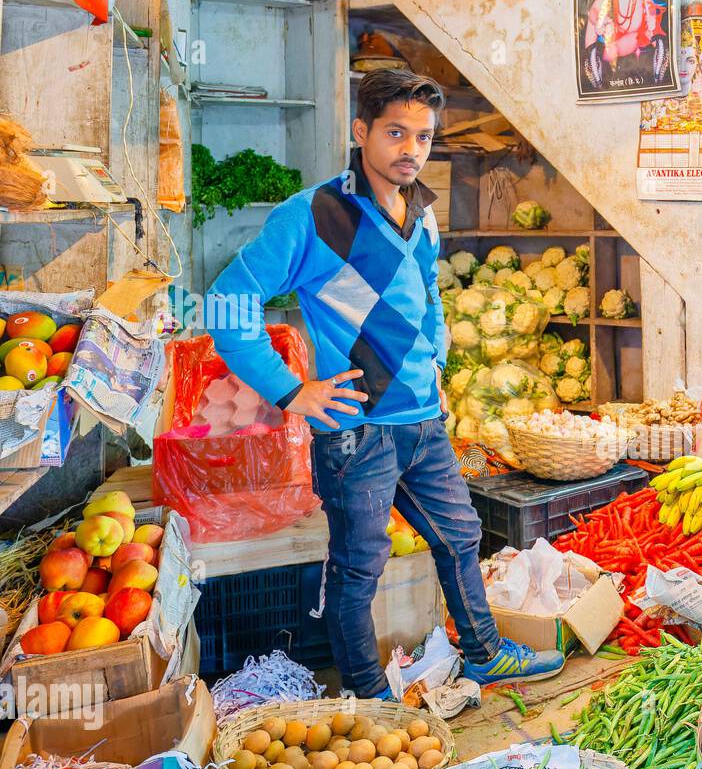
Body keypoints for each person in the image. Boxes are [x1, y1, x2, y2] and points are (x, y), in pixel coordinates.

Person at [205, 68, 563, 697]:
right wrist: (293, 393)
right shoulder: (315, 213)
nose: (410, 150)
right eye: (396, 133)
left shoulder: (420, 212)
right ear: (361, 130)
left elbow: (425, 294)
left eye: (423, 138)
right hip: (355, 432)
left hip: (422, 422)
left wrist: (438, 364)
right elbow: (228, 301)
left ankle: (482, 653)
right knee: (358, 569)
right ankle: (369, 696)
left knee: (460, 536)